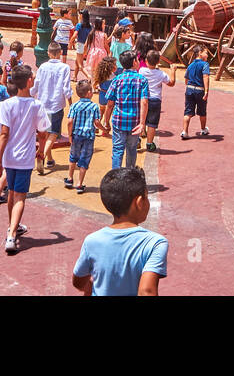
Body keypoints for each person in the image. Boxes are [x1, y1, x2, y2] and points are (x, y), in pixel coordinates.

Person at [71, 167, 167, 296]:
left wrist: (89, 286)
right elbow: (146, 291)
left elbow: (78, 281)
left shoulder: (92, 240)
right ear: (139, 202)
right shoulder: (155, 243)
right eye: (146, 197)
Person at [0, 65, 49, 254]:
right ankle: (11, 236)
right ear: (28, 82)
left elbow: (3, 134)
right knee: (20, 198)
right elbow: (43, 132)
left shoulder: (7, 105)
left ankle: (12, 226)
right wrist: (41, 151)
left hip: (9, 156)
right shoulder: (37, 105)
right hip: (25, 158)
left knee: (11, 194)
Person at [101, 52, 149, 169]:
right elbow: (144, 102)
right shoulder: (142, 80)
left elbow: (110, 104)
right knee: (132, 149)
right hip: (135, 122)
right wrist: (142, 123)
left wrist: (106, 121)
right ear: (134, 62)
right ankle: (129, 175)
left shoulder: (117, 80)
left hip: (118, 121)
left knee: (117, 150)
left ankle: (115, 176)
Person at [32, 41, 72, 173]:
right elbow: (66, 88)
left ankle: (49, 159)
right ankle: (41, 154)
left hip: (42, 103)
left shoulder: (42, 67)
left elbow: (36, 85)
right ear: (60, 53)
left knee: (46, 132)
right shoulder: (64, 67)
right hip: (56, 104)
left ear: (48, 53)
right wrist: (71, 103)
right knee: (54, 133)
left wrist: (30, 96)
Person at [64, 79, 101, 193]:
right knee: (84, 160)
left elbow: (70, 122)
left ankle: (70, 179)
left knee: (73, 156)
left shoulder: (74, 106)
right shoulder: (94, 107)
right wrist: (102, 128)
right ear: (89, 93)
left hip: (76, 135)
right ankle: (79, 184)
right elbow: (97, 122)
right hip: (89, 137)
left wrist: (70, 134)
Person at [139, 48, 174, 153]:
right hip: (155, 100)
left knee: (141, 120)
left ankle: (137, 140)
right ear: (158, 62)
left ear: (146, 61)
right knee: (152, 123)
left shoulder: (142, 71)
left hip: (142, 98)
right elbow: (171, 83)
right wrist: (173, 71)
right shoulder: (161, 74)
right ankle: (149, 144)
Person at [181, 44, 211, 140]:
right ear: (200, 53)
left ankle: (185, 131)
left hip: (189, 89)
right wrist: (206, 91)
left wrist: (189, 87)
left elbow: (186, 78)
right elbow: (205, 76)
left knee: (188, 112)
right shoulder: (205, 64)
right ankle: (203, 129)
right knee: (202, 112)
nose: (207, 55)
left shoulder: (190, 65)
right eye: (206, 53)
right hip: (200, 90)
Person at [73, 10, 92, 79]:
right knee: (77, 61)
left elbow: (75, 35)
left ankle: (88, 76)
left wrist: (70, 42)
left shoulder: (79, 25)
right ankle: (75, 76)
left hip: (80, 45)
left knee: (80, 65)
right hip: (86, 46)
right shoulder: (90, 26)